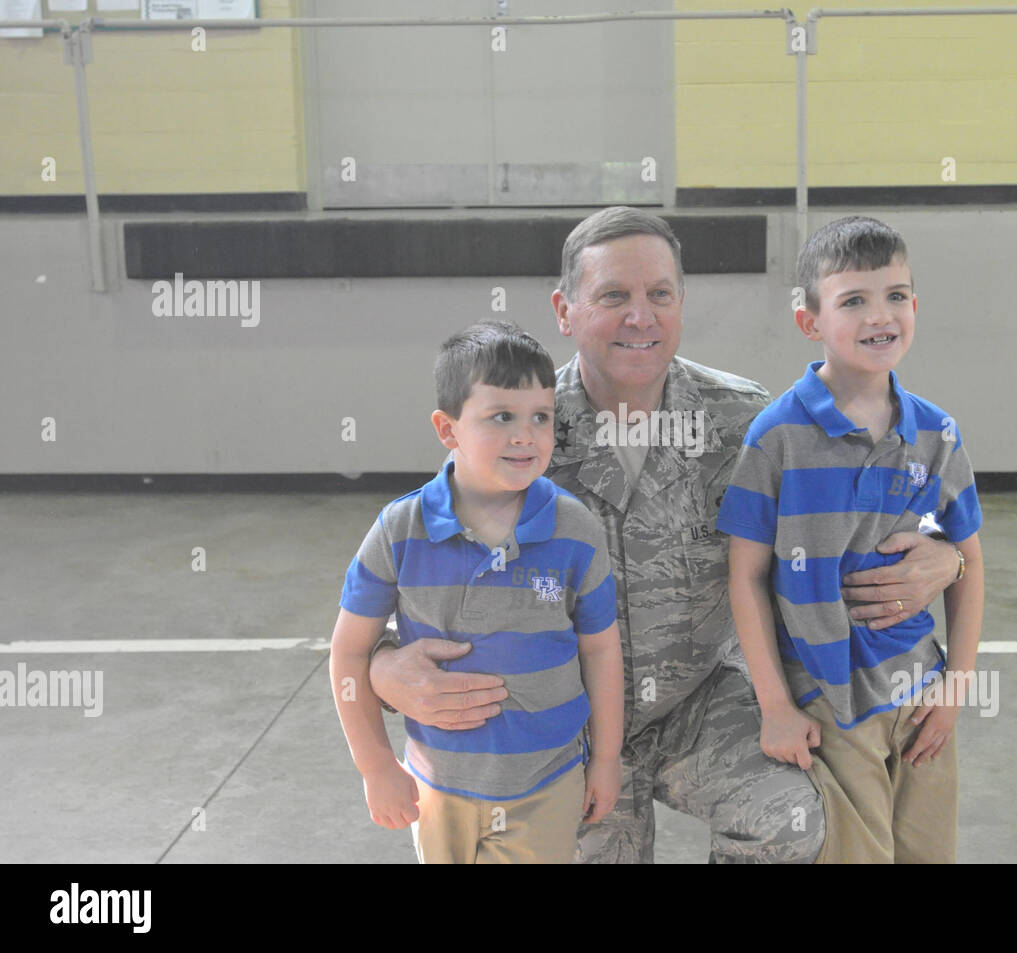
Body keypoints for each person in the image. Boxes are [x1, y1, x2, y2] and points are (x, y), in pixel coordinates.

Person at [368, 207, 964, 863]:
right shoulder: (515, 434)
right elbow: (417, 572)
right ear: (564, 310)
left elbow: (865, 503)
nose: (640, 316)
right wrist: (383, 666)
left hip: (698, 707)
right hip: (563, 729)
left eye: (659, 294)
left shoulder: (744, 421)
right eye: (613, 296)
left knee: (794, 817)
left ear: (682, 302)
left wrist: (947, 552)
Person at [721, 215, 985, 863]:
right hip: (831, 701)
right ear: (810, 321)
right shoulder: (776, 436)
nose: (880, 315)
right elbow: (746, 575)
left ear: (915, 306)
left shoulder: (936, 433)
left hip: (920, 694)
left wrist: (954, 685)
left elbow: (970, 562)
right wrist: (777, 704)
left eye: (895, 295)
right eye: (854, 300)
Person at [329, 321, 624, 863]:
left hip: (547, 781)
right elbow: (348, 651)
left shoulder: (575, 529)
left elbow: (602, 649)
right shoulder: (400, 530)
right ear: (448, 429)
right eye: (501, 417)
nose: (525, 435)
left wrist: (605, 760)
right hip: (437, 784)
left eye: (541, 417)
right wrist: (375, 767)